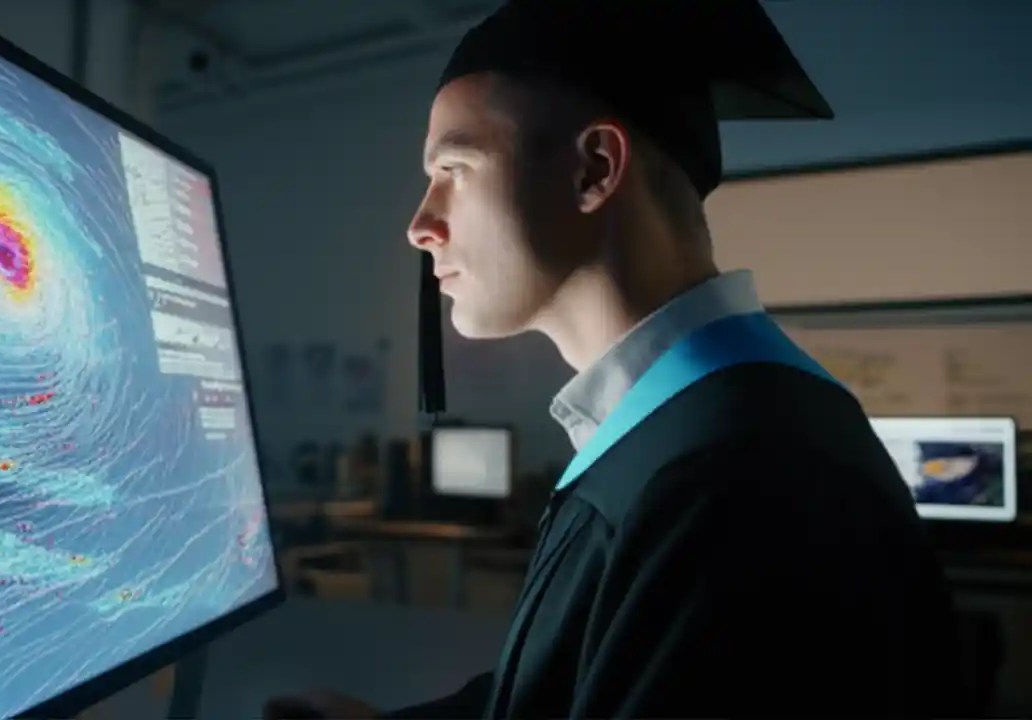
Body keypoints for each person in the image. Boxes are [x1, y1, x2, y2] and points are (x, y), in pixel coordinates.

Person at [266, 0, 965, 717]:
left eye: (454, 168)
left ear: (594, 169)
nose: (420, 225)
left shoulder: (737, 479)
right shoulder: (699, 432)